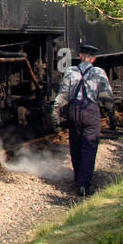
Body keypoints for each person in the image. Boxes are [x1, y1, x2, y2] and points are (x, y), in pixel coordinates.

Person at [51, 43, 114, 198]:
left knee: (75, 145)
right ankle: (83, 184)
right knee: (89, 147)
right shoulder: (99, 72)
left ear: (80, 56)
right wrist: (111, 113)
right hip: (90, 111)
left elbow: (62, 95)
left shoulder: (70, 71)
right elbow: (106, 95)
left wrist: (55, 112)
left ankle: (77, 178)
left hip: (73, 111)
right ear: (94, 58)